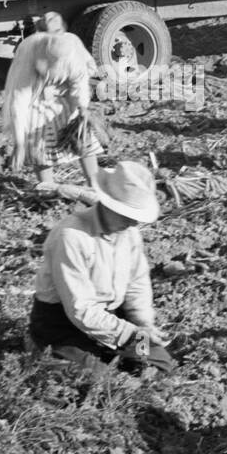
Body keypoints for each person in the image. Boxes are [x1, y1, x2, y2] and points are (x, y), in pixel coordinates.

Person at [29, 160, 175, 374]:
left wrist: (144, 326)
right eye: (127, 215)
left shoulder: (129, 233)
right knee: (104, 381)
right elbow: (80, 309)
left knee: (159, 366)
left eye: (136, 218)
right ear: (107, 204)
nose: (133, 223)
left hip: (113, 318)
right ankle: (44, 351)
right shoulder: (71, 236)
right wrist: (129, 333)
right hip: (63, 324)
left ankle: (118, 355)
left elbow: (137, 283)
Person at [1, 11, 105, 189]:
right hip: (35, 97)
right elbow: (19, 101)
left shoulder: (72, 48)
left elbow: (79, 82)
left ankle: (95, 186)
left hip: (64, 94)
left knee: (81, 135)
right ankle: (47, 189)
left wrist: (82, 109)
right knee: (37, 143)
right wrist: (19, 143)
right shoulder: (29, 52)